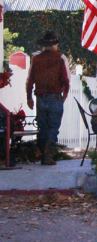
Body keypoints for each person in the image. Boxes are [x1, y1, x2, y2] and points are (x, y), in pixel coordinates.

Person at [26, 31, 70, 165]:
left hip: (40, 98)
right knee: (53, 127)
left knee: (43, 126)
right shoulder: (60, 58)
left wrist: (29, 97)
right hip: (55, 97)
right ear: (55, 45)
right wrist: (64, 96)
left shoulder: (36, 59)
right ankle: (47, 154)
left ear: (44, 45)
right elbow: (66, 81)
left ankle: (43, 153)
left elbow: (30, 80)